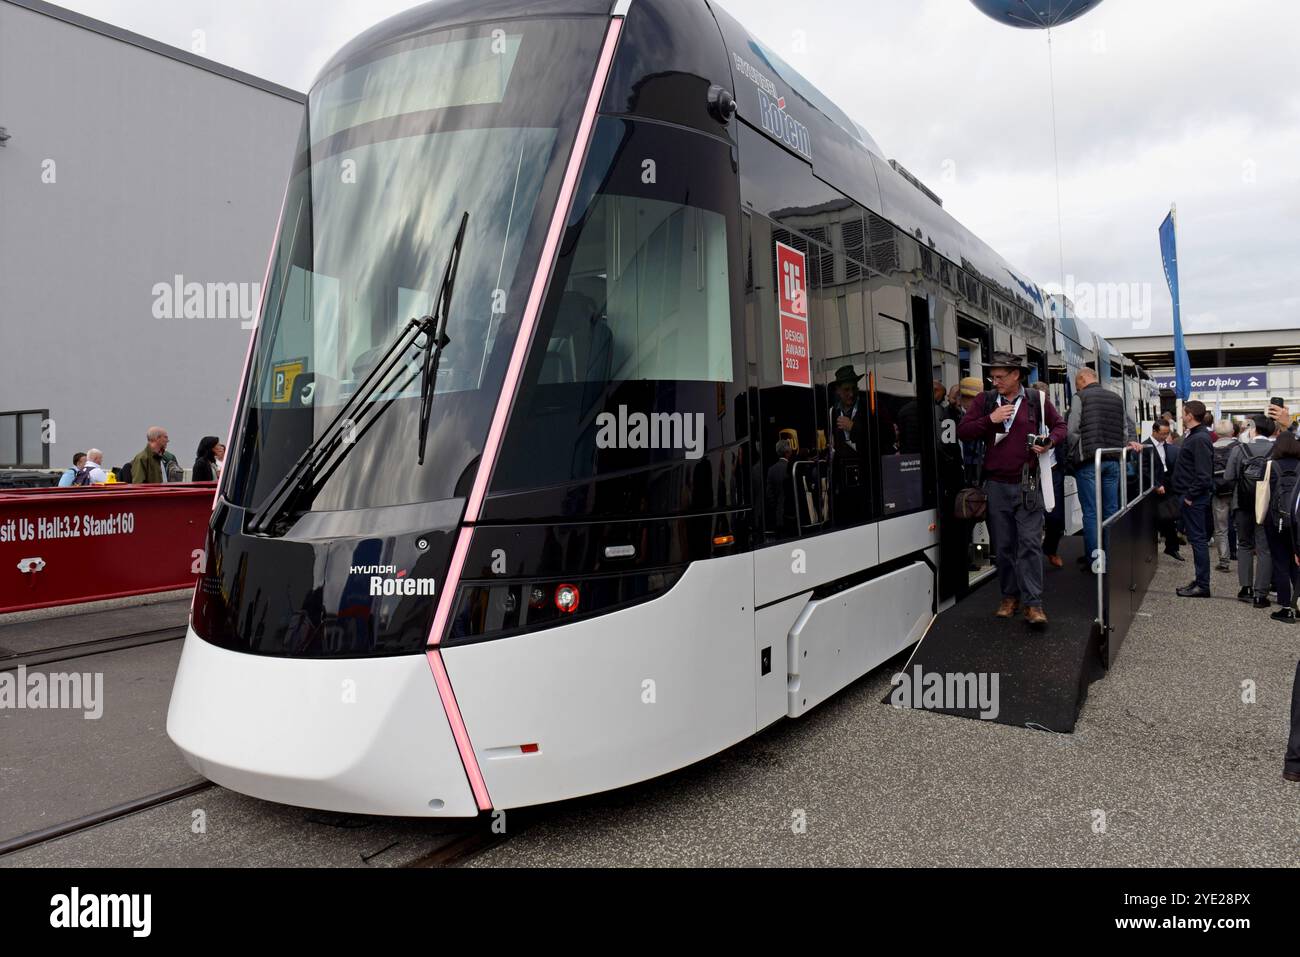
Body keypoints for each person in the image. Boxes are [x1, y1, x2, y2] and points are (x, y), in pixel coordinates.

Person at [957, 352, 1066, 627]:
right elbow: (964, 431)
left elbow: (1061, 427)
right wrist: (990, 419)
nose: (995, 381)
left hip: (1027, 481)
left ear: (1016, 375)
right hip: (996, 484)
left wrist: (1049, 441)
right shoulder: (985, 401)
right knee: (1003, 546)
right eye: (992, 376)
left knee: (1029, 543)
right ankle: (1009, 597)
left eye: (1000, 376)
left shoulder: (1035, 400)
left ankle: (1033, 604)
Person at [1066, 368, 1141, 570]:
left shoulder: (1080, 397)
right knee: (1111, 511)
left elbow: (1072, 430)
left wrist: (1071, 454)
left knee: (1090, 513)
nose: (1077, 387)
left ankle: (1095, 561)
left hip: (1089, 461)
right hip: (1113, 461)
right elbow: (1128, 427)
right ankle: (1110, 556)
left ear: (1082, 379)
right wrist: (1127, 445)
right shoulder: (1116, 398)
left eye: (1076, 383)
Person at [1226, 415, 1275, 605]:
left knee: (1244, 545)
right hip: (1266, 504)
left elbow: (1229, 476)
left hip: (1243, 503)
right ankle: (1260, 594)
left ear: (1253, 430)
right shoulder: (1275, 449)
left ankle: (1245, 588)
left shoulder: (1240, 449)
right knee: (1264, 549)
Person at [1172, 400, 1214, 598]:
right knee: (1196, 540)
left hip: (1193, 499)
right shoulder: (1196, 436)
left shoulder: (1199, 438)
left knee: (1198, 540)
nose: (1181, 414)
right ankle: (1199, 581)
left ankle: (1203, 585)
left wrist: (1189, 496)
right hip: (1191, 497)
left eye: (1183, 412)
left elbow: (1204, 475)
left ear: (1189, 415)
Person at [1261, 431, 1300, 624]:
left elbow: (1262, 493)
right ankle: (1298, 604)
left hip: (1275, 521)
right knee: (1297, 562)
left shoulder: (1270, 465)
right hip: (1298, 521)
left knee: (1280, 562)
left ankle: (1286, 608)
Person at [829, 366, 868, 525]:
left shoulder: (867, 407)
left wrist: (853, 428)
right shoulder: (832, 412)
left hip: (865, 477)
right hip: (842, 480)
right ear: (838, 390)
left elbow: (885, 436)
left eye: (853, 389)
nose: (851, 394)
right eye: (846, 390)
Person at [1033, 383, 1066, 568]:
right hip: (1029, 473)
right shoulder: (1024, 415)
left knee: (1055, 518)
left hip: (1052, 471)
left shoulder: (1054, 418)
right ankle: (1030, 558)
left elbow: (1064, 435)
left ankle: (1051, 549)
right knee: (1030, 518)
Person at [1146, 420, 1183, 560]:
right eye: (1162, 434)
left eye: (1167, 433)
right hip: (1154, 485)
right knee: (1156, 518)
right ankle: (1163, 548)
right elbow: (1144, 469)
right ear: (1154, 432)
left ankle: (1171, 547)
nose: (1164, 436)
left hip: (1168, 483)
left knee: (1170, 515)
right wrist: (1156, 484)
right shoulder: (1145, 446)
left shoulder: (1168, 447)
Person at [1210, 420, 1237, 572]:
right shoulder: (1239, 448)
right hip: (1236, 491)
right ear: (1232, 432)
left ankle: (1224, 561)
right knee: (1240, 525)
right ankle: (1241, 551)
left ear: (1216, 433)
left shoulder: (1210, 449)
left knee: (1221, 528)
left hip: (1218, 492)